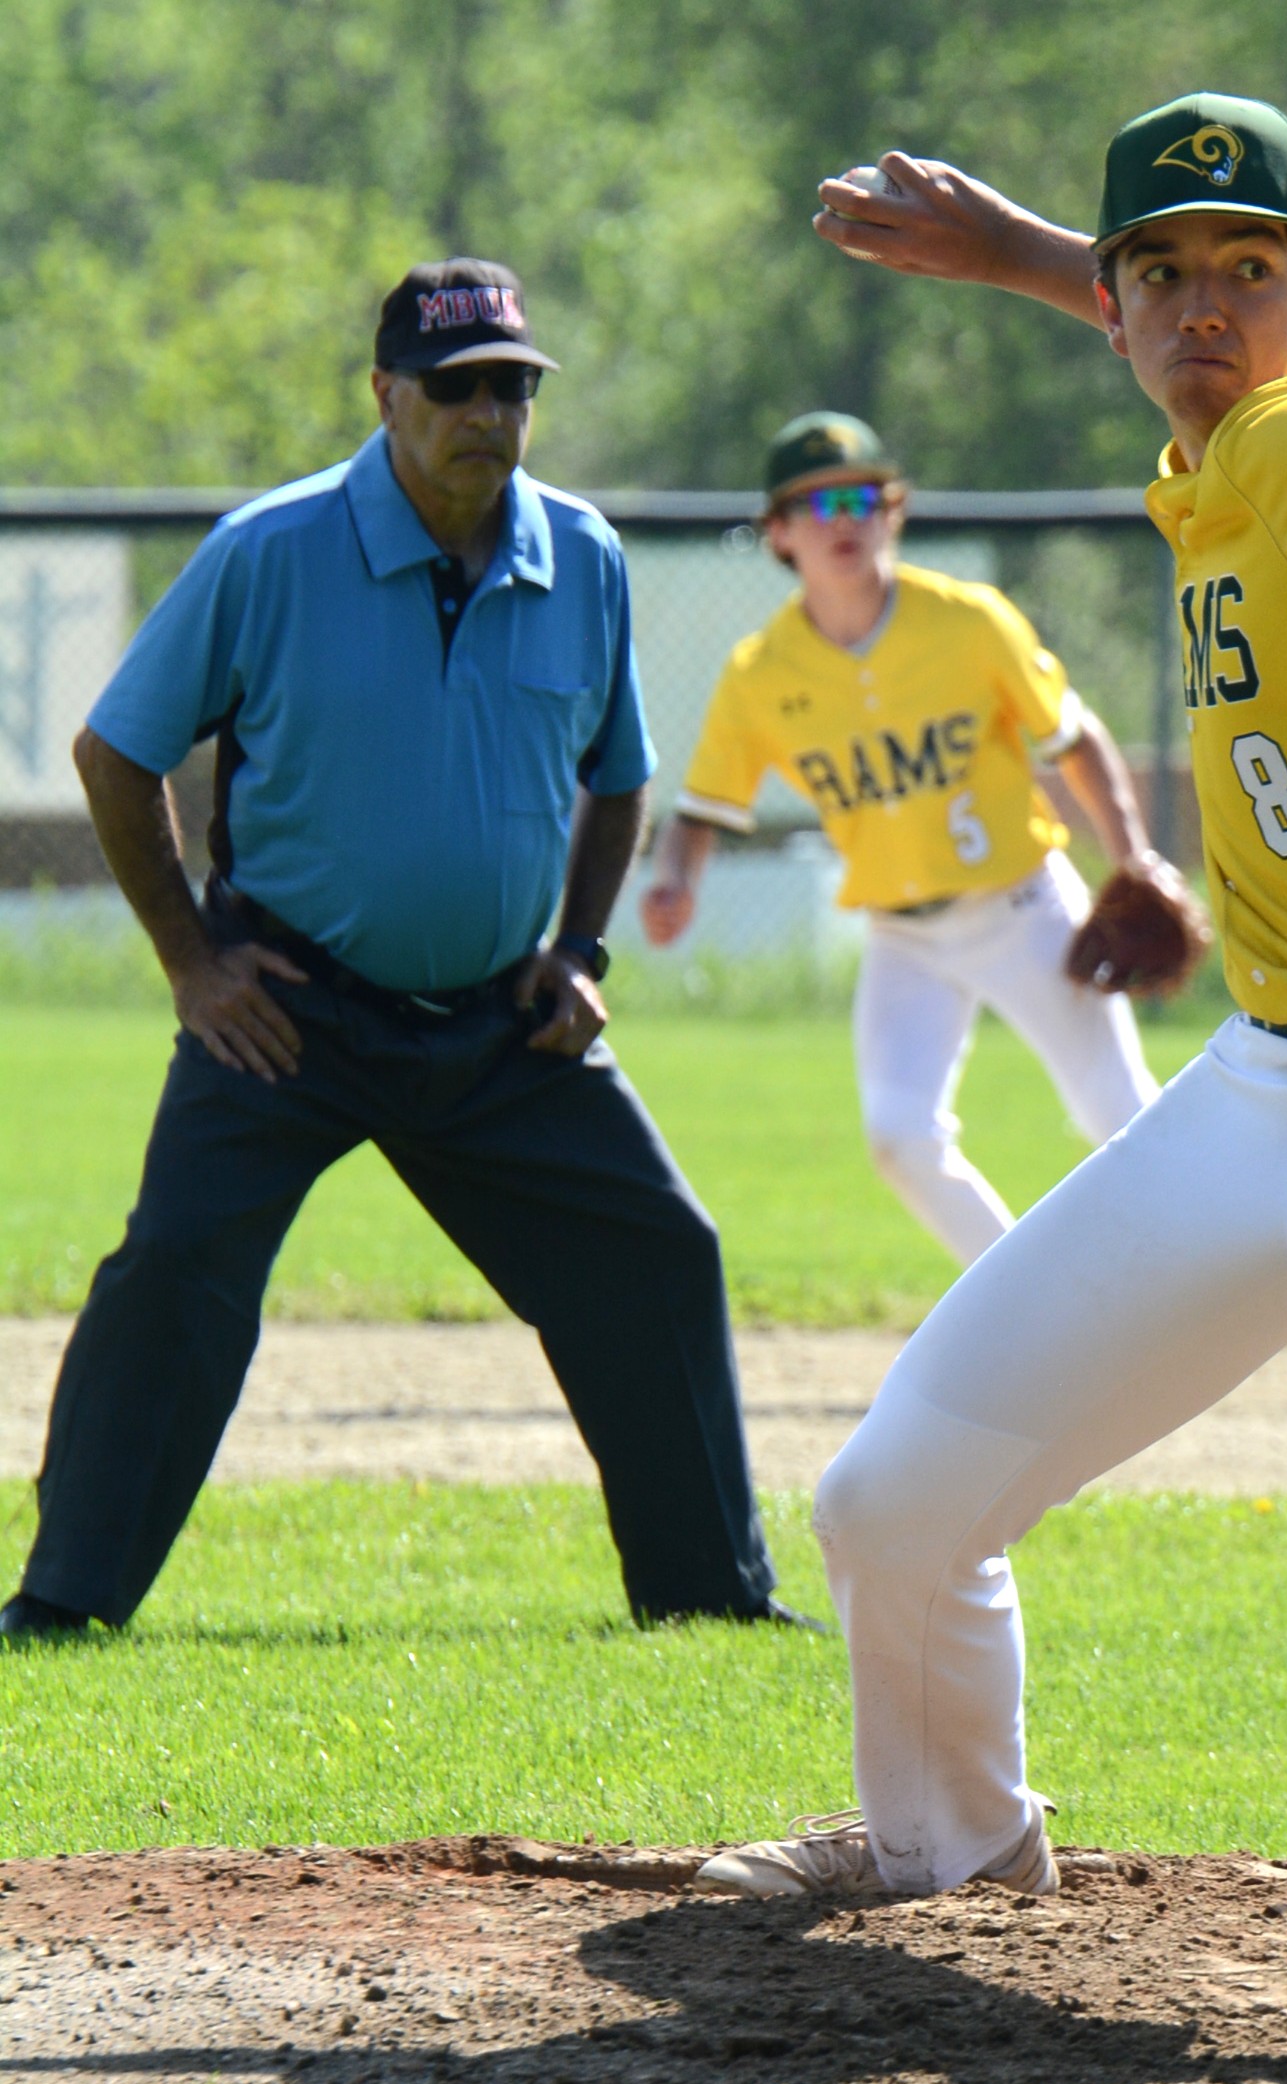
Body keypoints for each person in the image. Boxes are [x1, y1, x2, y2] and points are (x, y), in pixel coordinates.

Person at [698, 99, 1287, 2022]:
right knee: (889, 1506)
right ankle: (951, 1838)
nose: (1198, 306)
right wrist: (1017, 252)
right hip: (1268, 1089)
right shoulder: (1213, 446)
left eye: (1249, 270)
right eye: (1158, 272)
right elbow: (1177, 329)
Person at [1, 258, 804, 1641]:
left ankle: (709, 1600)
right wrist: (193, 965)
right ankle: (64, 1602)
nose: (487, 412)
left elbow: (618, 778)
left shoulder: (582, 555)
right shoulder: (269, 549)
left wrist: (581, 950)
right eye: (454, 386)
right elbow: (114, 753)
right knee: (176, 1271)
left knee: (657, 1249)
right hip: (289, 1011)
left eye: (512, 387)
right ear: (385, 394)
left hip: (501, 1020)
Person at [640, 412, 1161, 1266]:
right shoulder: (760, 673)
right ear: (778, 533)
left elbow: (1075, 738)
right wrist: (676, 880)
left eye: (860, 498)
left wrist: (1133, 856)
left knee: (1124, 1115)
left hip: (1025, 907)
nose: (841, 520)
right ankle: (1022, 1299)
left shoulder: (968, 620)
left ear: (894, 510)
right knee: (899, 1137)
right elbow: (703, 807)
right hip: (902, 936)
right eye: (815, 504)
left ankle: (1265, 1278)